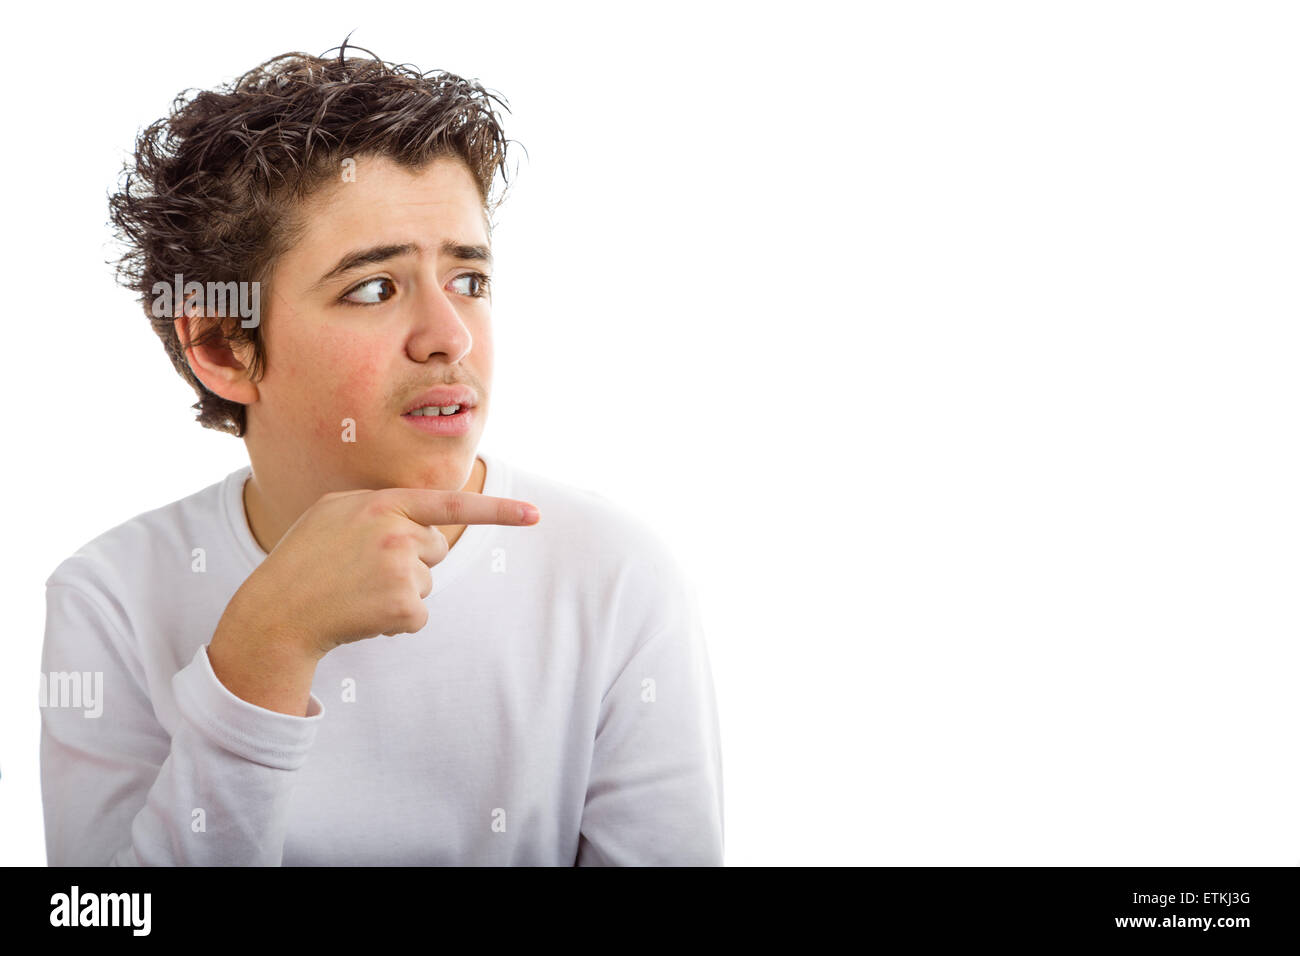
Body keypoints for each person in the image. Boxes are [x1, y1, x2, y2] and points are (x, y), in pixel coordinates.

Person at [39, 43, 724, 866]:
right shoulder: (110, 598)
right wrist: (264, 655)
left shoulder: (615, 577)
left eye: (468, 280)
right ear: (223, 346)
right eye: (374, 288)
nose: (451, 337)